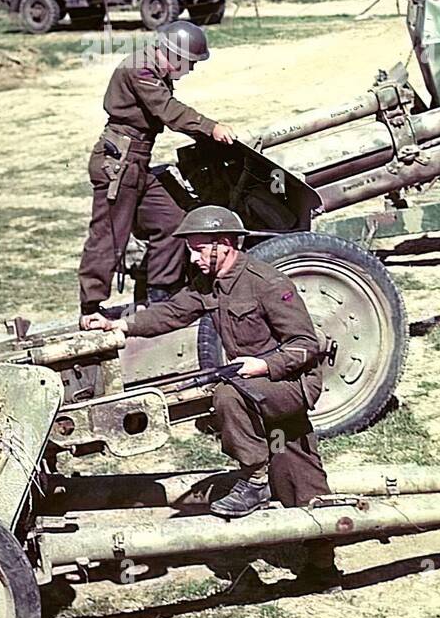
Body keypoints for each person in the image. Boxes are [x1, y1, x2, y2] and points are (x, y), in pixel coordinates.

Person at [80, 205, 340, 579]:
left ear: (224, 244)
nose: (193, 257)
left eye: (200, 249)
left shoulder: (267, 283)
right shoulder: (211, 284)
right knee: (296, 469)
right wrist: (119, 324)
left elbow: (304, 345)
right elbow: (171, 312)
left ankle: (254, 481)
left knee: (228, 397)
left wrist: (263, 365)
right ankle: (321, 566)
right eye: (192, 249)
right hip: (258, 389)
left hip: (291, 384)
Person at [77, 20, 237, 318]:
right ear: (175, 54)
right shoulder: (141, 68)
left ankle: (159, 296)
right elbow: (169, 111)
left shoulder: (154, 67)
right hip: (119, 163)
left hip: (136, 160)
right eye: (189, 62)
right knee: (109, 236)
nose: (190, 69)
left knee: (174, 220)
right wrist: (210, 127)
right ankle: (90, 309)